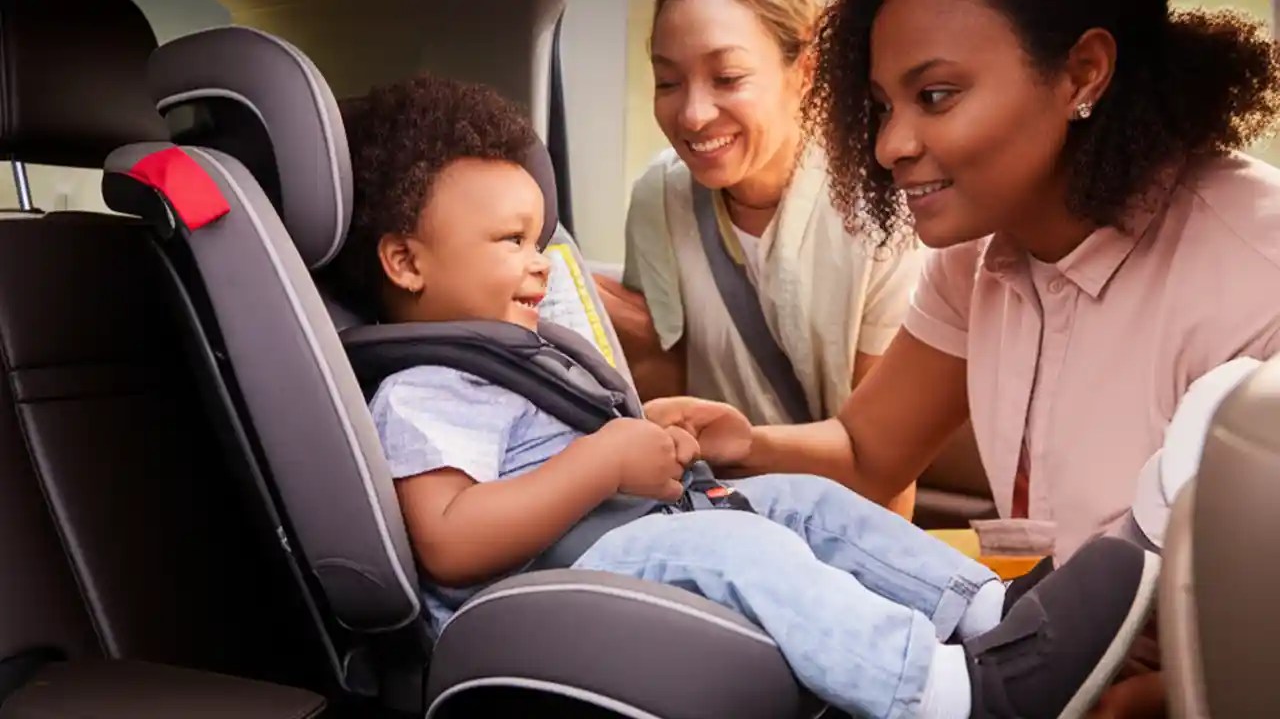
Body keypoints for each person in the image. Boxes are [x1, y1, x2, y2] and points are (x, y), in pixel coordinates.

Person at [325, 72, 1159, 719]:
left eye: (540, 240)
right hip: (544, 579)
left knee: (802, 503)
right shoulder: (425, 388)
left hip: (617, 535)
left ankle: (991, 609)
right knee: (741, 551)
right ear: (406, 262)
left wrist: (635, 443)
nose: (542, 262)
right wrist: (603, 460)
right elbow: (448, 542)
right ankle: (945, 696)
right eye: (511, 242)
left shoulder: (514, 360)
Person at [643, 0, 1280, 714]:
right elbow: (866, 450)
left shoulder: (1260, 272)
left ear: (1083, 75)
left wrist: (1160, 698)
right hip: (1038, 644)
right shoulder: (973, 256)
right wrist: (745, 442)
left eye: (935, 97)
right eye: (884, 105)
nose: (890, 144)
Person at [597, 0, 925, 518]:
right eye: (667, 82)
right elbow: (667, 409)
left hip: (847, 524)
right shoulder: (660, 197)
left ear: (806, 72)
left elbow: (887, 472)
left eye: (727, 77)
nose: (693, 114)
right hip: (720, 519)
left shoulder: (882, 207)